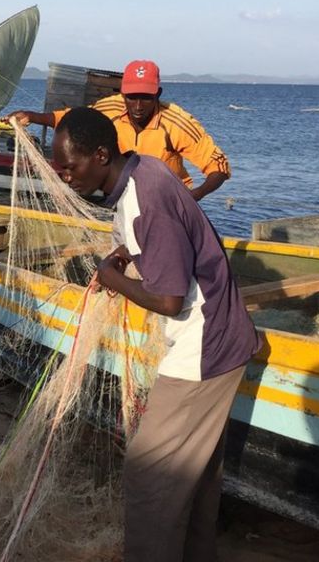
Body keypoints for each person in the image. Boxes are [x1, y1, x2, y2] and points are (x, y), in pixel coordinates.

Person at [51, 107, 261, 562]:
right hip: (223, 337)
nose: (64, 177)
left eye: (69, 167)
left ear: (101, 155)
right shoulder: (143, 170)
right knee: (195, 475)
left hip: (204, 348)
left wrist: (111, 277)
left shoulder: (146, 198)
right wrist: (127, 253)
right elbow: (158, 236)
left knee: (150, 473)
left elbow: (168, 300)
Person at [6, 60, 231, 201]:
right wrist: (32, 116)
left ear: (158, 94)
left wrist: (195, 195)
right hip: (123, 197)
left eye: (146, 98)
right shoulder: (111, 108)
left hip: (168, 201)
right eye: (131, 97)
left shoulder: (176, 122)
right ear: (123, 94)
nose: (138, 106)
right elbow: (72, 119)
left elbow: (218, 164)